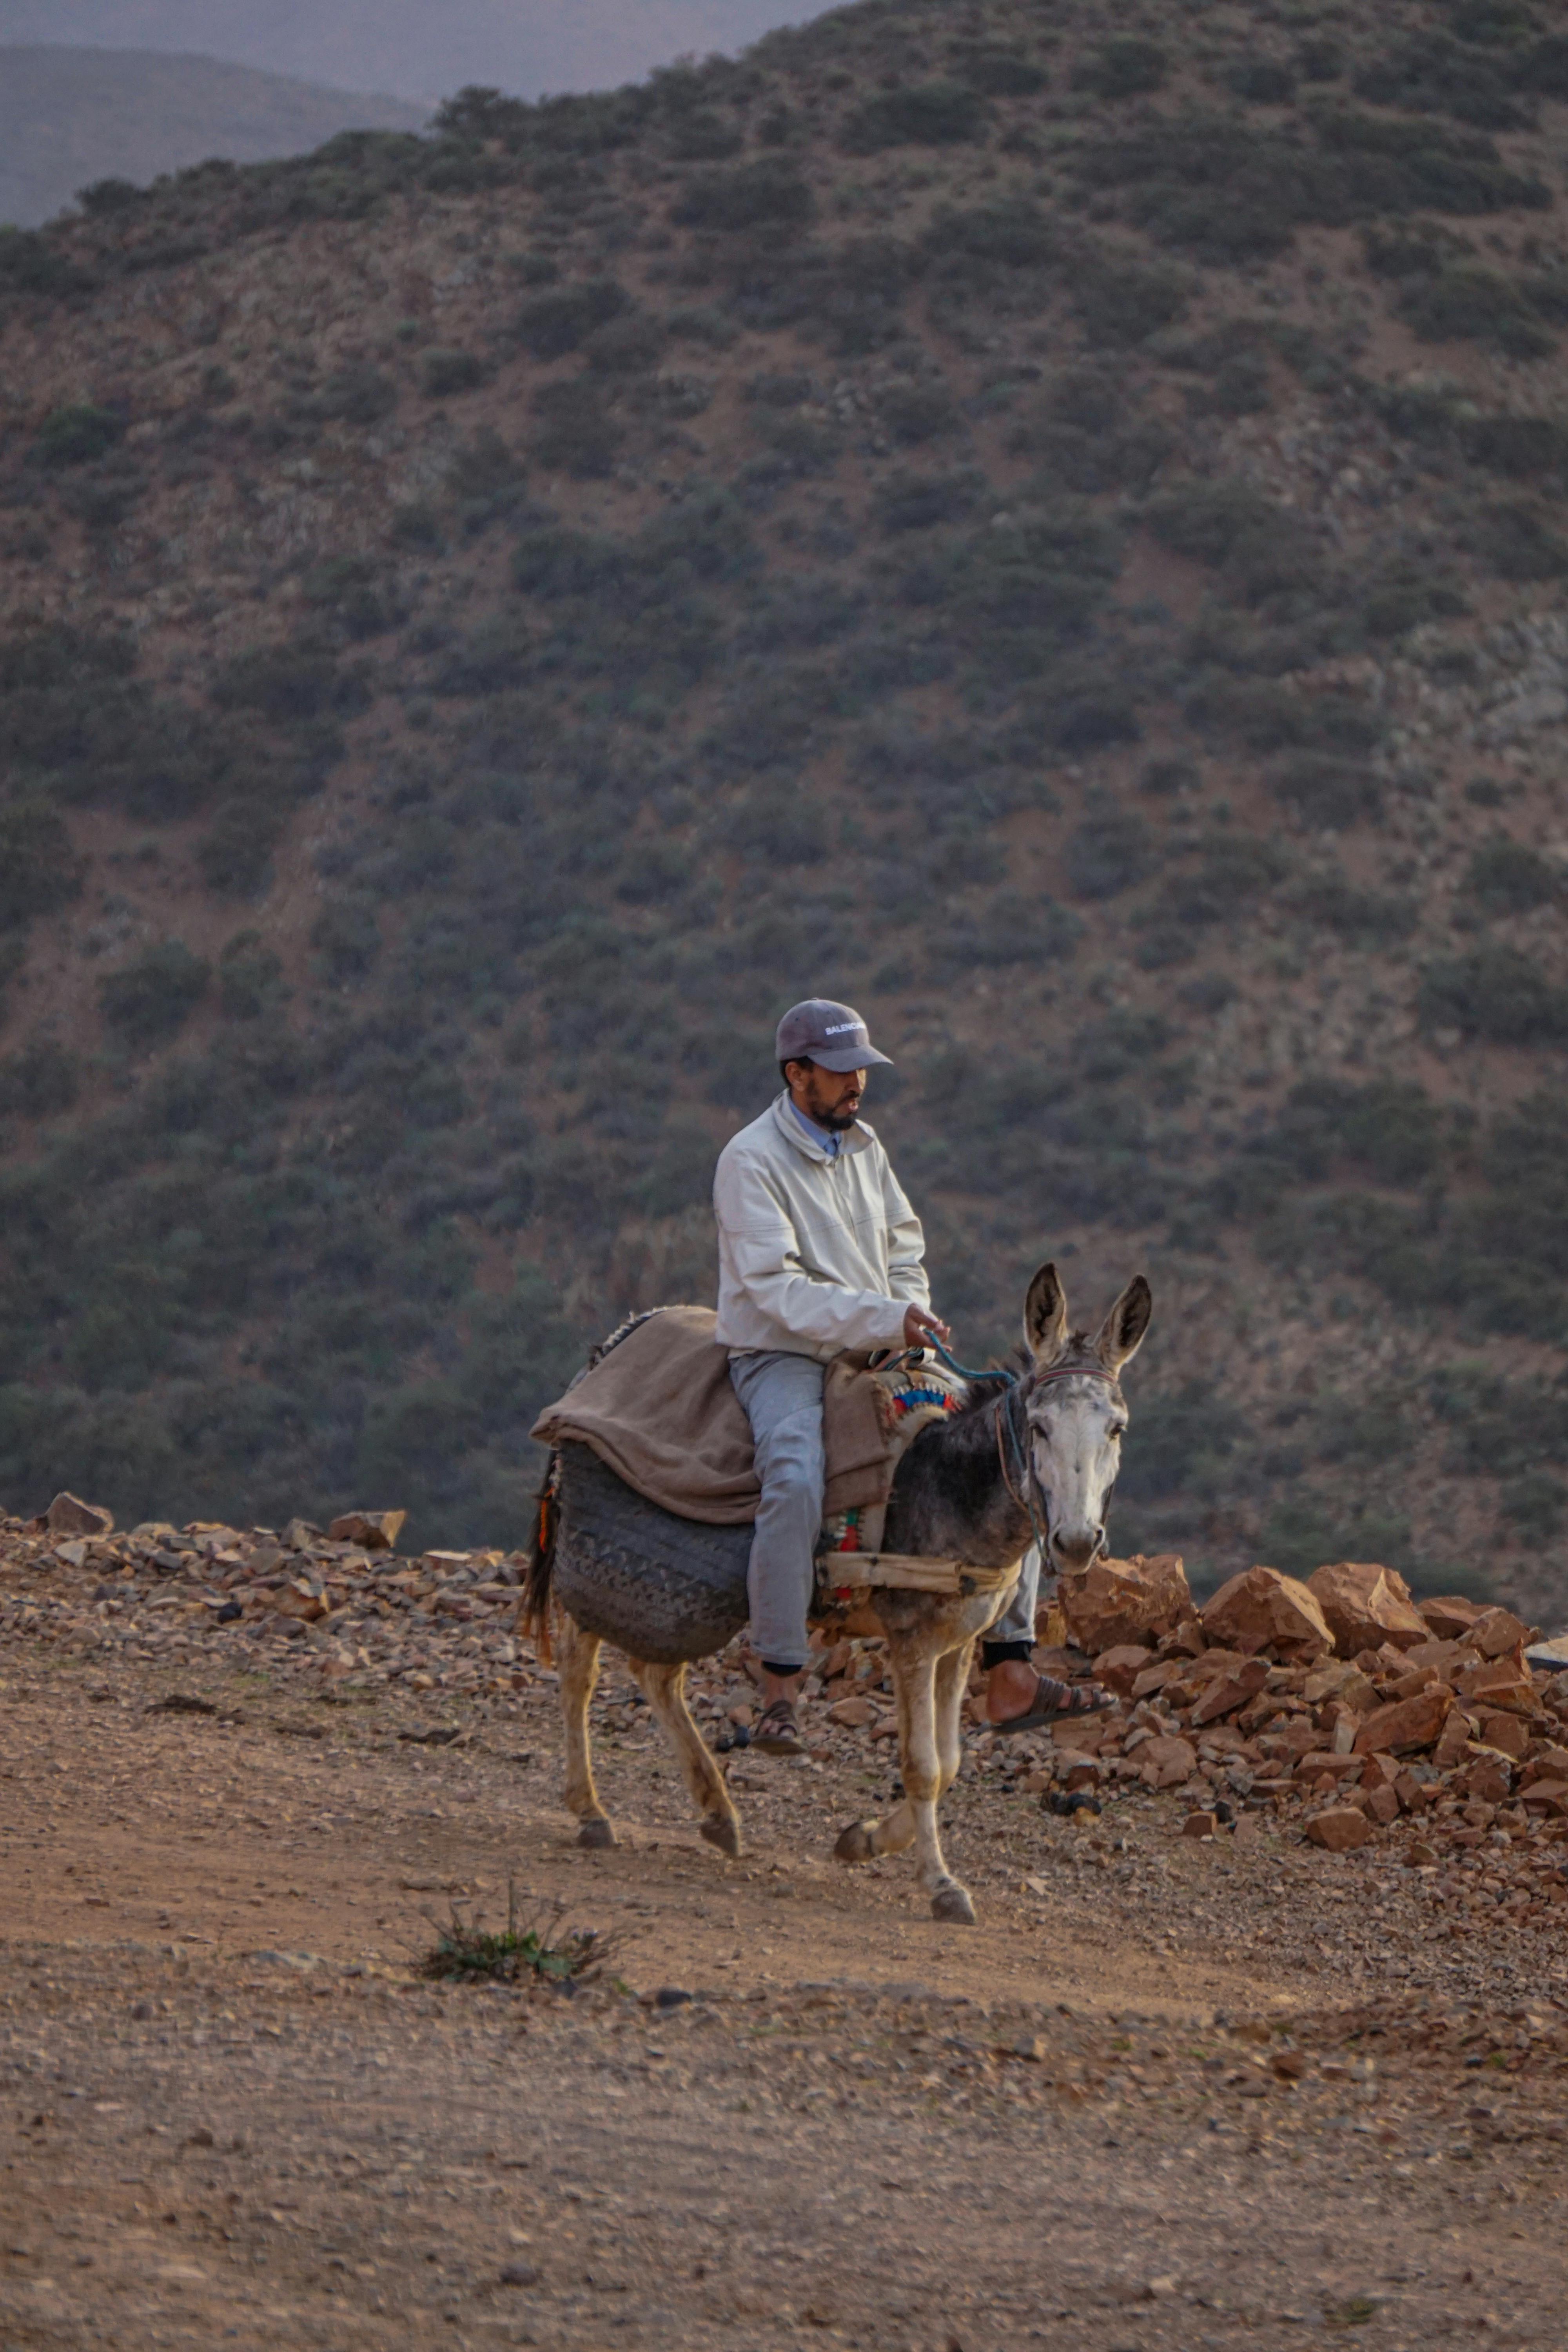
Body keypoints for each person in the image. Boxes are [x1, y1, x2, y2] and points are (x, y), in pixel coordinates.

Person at [712, 998, 1087, 1755]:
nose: (858, 1085)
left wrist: (905, 1314)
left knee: (1007, 1435)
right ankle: (781, 1685)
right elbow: (773, 1291)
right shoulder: (748, 1160)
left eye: (862, 1072)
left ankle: (1011, 1666)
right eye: (842, 1072)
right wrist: (882, 1322)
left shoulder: (865, 1145)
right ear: (797, 1074)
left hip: (881, 1343)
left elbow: (905, 1246)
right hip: (782, 1353)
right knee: (791, 1474)